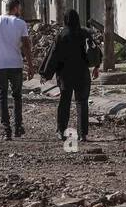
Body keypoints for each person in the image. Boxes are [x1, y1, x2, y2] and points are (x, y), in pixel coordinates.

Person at [40, 9, 99, 142]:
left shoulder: (62, 35)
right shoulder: (85, 33)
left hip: (66, 75)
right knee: (82, 103)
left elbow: (53, 55)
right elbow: (95, 51)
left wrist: (46, 73)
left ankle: (61, 131)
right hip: (82, 74)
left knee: (64, 102)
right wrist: (96, 67)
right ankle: (83, 134)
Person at [0, 0, 33, 140]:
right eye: (20, 8)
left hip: (0, 66)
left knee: (2, 97)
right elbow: (27, 46)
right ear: (16, 8)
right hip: (16, 65)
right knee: (17, 97)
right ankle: (18, 127)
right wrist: (30, 65)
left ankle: (6, 130)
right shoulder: (21, 23)